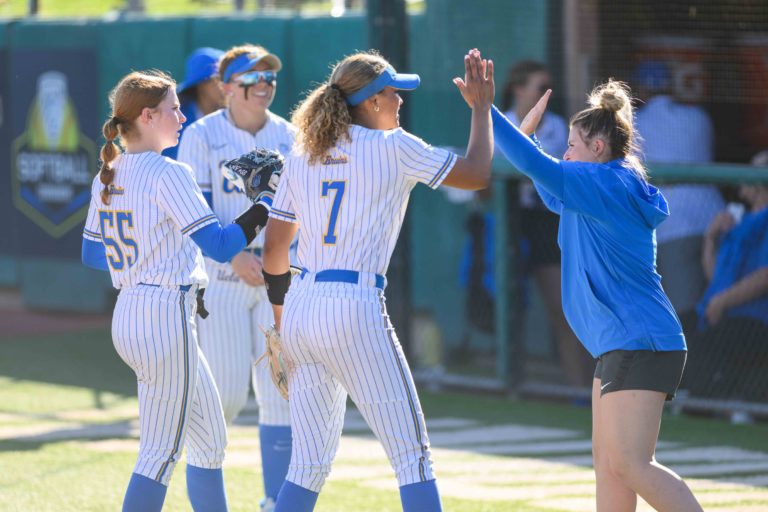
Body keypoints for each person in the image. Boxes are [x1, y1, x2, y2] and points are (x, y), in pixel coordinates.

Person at [261, 49, 495, 512]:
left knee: (306, 467)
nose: (400, 100)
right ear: (370, 102)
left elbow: (273, 252)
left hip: (303, 305)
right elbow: (477, 174)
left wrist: (282, 321)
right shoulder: (395, 146)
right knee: (412, 458)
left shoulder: (304, 152)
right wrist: (482, 110)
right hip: (353, 303)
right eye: (393, 92)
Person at [493, 81, 702, 511]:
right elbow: (536, 170)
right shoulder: (589, 191)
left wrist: (486, 110)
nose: (565, 153)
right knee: (609, 467)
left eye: (572, 145)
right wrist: (524, 136)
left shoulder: (608, 184)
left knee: (630, 464)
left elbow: (538, 164)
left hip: (638, 342)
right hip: (621, 344)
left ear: (599, 146)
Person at [81, 70, 272, 511]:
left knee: (209, 441)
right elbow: (222, 247)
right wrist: (265, 205)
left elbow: (93, 256)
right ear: (147, 116)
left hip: (131, 310)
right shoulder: (170, 172)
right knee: (159, 454)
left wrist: (145, 250)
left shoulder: (108, 173)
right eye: (173, 109)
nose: (182, 117)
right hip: (164, 313)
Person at [177, 43, 294, 512]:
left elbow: (299, 209)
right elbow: (196, 211)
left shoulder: (289, 135)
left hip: (276, 281)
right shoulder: (202, 135)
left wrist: (271, 259)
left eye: (270, 79)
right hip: (221, 283)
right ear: (227, 87)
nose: (265, 86)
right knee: (223, 398)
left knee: (281, 393)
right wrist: (235, 258)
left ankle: (276, 502)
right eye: (254, 78)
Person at [500, 60, 592, 388]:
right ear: (519, 88)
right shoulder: (500, 125)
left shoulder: (559, 129)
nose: (546, 95)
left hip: (547, 224)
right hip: (506, 225)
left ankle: (581, 389)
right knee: (507, 306)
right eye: (541, 88)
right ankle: (509, 385)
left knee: (564, 308)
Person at [634, 59, 724, 331]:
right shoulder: (698, 116)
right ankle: (718, 370)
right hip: (715, 217)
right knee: (718, 301)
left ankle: (695, 372)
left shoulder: (635, 122)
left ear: (641, 89)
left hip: (675, 225)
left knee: (683, 312)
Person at [682, 150, 768, 402]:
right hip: (721, 311)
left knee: (714, 339)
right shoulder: (740, 221)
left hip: (754, 319)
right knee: (671, 326)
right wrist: (710, 239)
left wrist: (722, 302)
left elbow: (764, 276)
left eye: (755, 169)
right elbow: (716, 278)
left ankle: (718, 401)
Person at [163, 47, 225, 159]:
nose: (225, 86)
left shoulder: (236, 117)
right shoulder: (176, 120)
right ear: (202, 84)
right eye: (219, 79)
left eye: (228, 79)